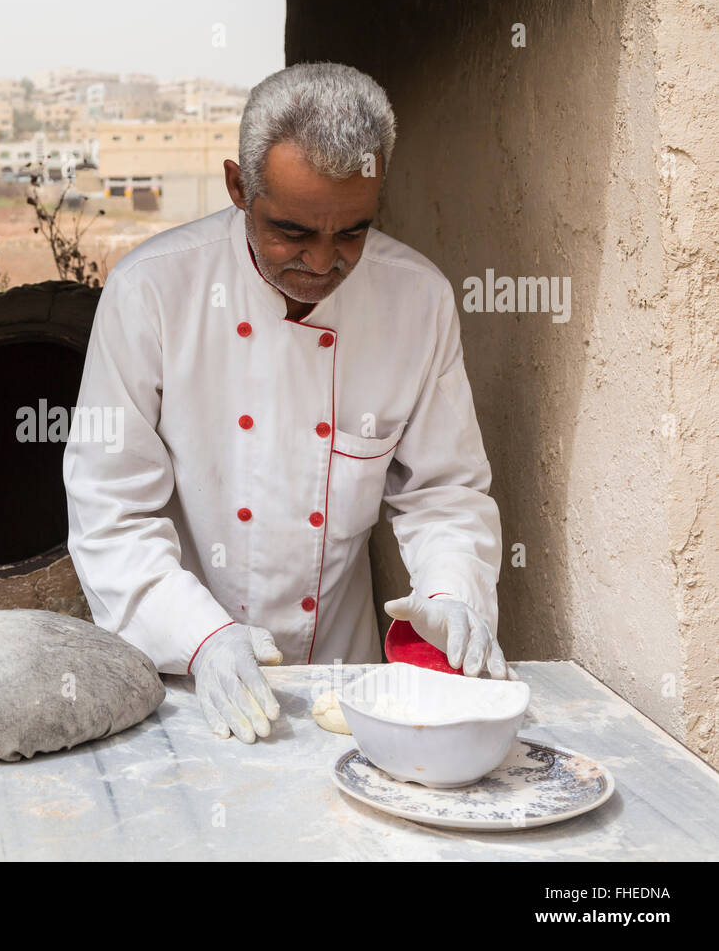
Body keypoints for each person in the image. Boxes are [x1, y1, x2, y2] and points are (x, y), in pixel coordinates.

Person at [63, 62, 507, 744]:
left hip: (343, 676)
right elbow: (111, 511)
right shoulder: (151, 293)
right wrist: (203, 638)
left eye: (352, 232)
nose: (325, 263)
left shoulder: (418, 300)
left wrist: (451, 596)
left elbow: (443, 494)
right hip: (180, 676)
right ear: (239, 187)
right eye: (294, 232)